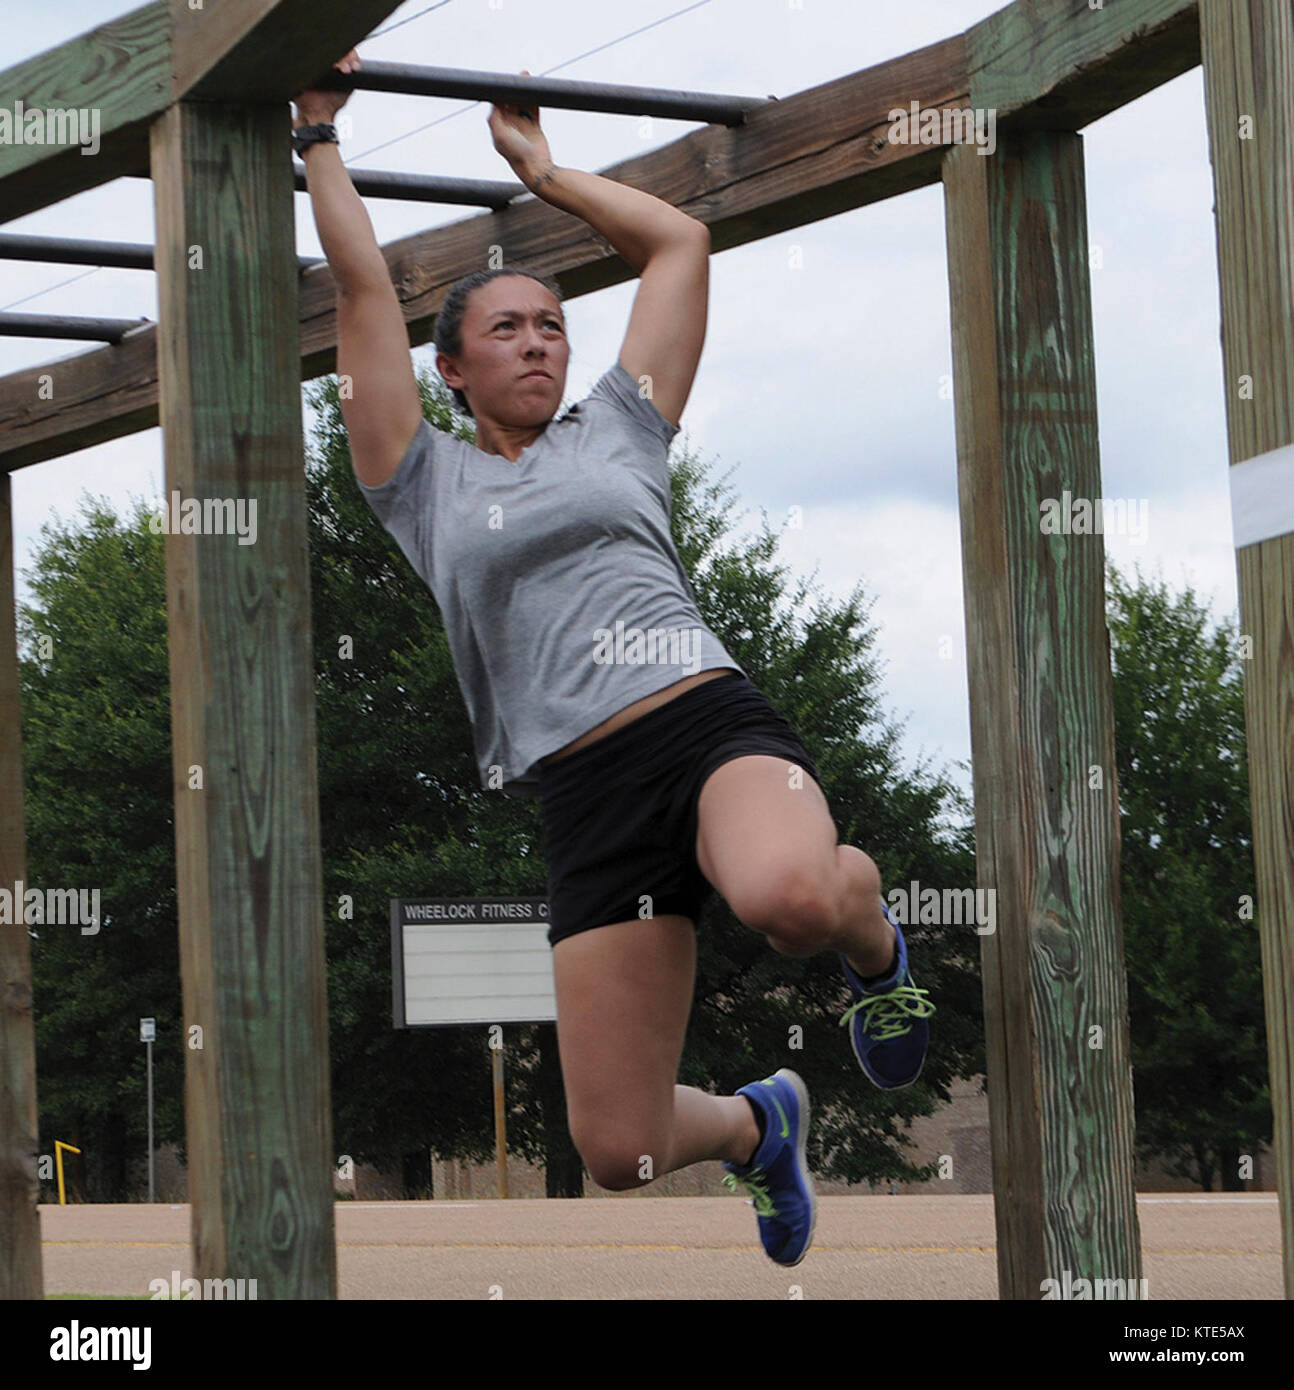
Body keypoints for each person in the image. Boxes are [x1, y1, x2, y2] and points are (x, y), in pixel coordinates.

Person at [293, 52, 934, 1267]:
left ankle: (875, 948)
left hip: (705, 726)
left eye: (550, 325)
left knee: (788, 897)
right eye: (506, 330)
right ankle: (759, 1126)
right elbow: (366, 295)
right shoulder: (421, 482)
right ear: (453, 369)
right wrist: (319, 137)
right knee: (618, 1146)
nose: (537, 345)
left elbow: (680, 244)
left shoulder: (621, 427)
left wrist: (545, 173)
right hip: (584, 792)